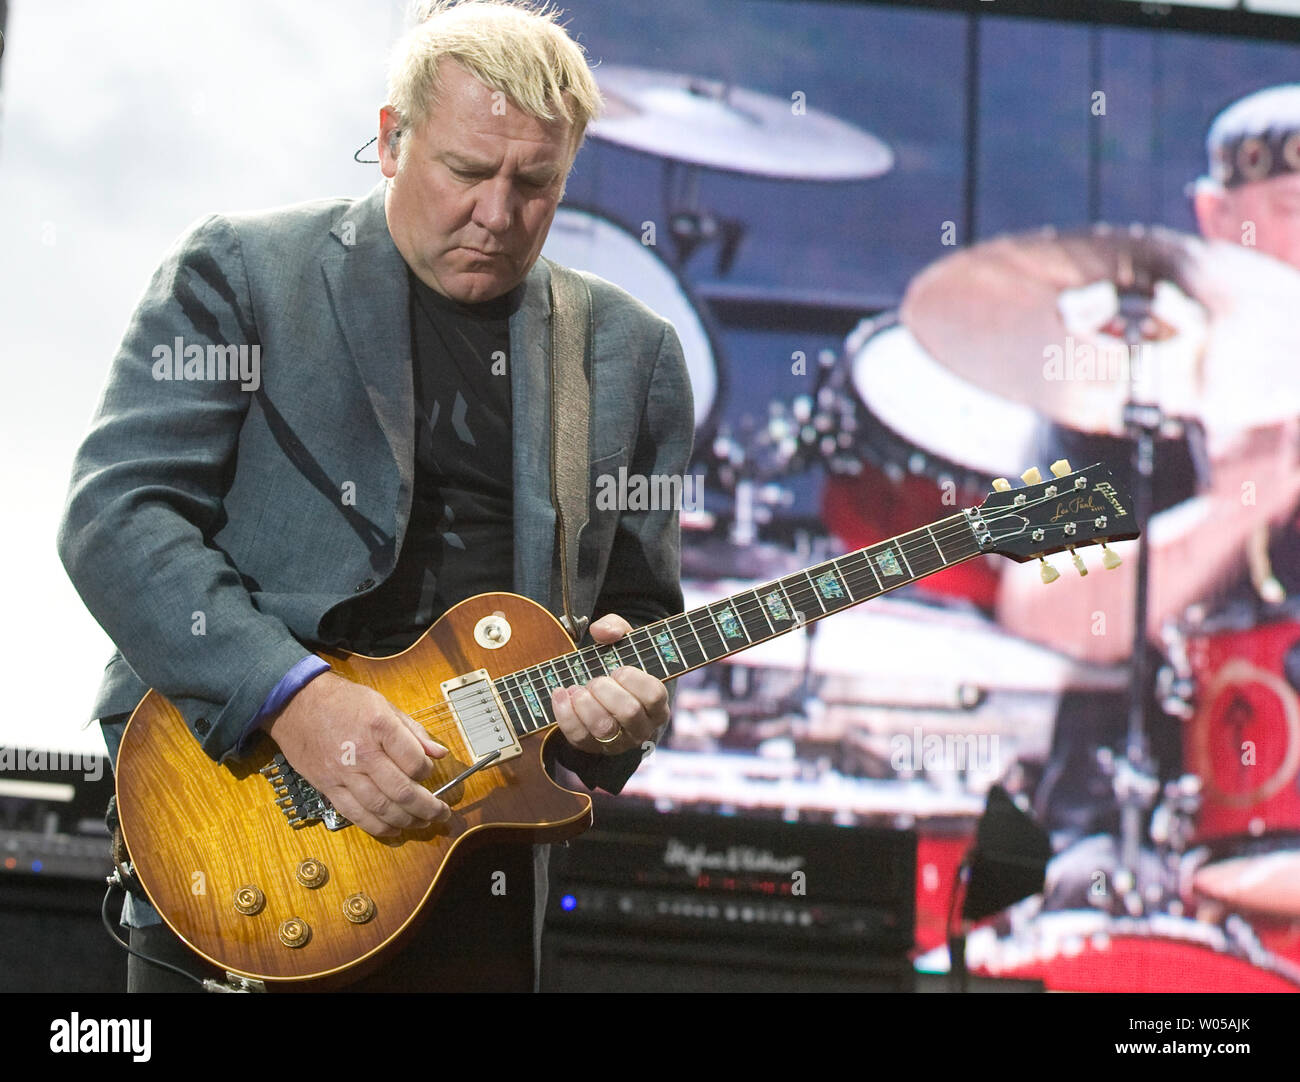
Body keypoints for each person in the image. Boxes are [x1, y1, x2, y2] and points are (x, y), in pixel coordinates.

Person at [56, 0, 693, 992]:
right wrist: (292, 696)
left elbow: (642, 614)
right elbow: (118, 514)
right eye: (467, 171)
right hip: (240, 822)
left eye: (536, 183)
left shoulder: (632, 355)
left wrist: (623, 712)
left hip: (470, 858)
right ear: (391, 141)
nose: (497, 211)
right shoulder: (243, 272)